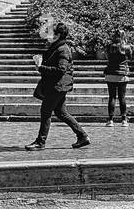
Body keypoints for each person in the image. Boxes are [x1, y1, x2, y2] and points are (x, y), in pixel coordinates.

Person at [26, 21, 90, 150]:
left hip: (57, 86)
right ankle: (82, 136)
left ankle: (40, 142)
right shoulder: (56, 47)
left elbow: (61, 70)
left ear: (59, 35)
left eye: (51, 33)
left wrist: (41, 67)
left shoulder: (62, 49)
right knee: (61, 113)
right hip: (57, 85)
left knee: (46, 112)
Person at [104, 28, 131, 128]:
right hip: (122, 74)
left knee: (112, 97)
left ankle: (110, 120)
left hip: (110, 73)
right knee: (122, 97)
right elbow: (130, 57)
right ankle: (124, 120)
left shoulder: (109, 46)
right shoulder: (126, 47)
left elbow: (107, 57)